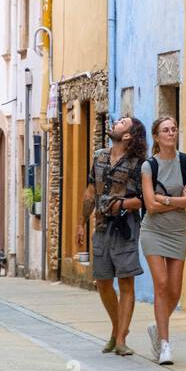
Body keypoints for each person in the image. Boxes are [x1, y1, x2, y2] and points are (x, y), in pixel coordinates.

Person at [77, 116, 147, 355]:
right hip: (101, 227)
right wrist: (81, 223)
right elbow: (90, 191)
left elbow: (145, 199)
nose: (116, 122)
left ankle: (121, 340)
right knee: (103, 281)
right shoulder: (99, 156)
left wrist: (122, 204)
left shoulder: (139, 164)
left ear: (128, 135)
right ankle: (117, 329)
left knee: (126, 280)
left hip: (125, 227)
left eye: (122, 122)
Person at [140, 116, 186, 366]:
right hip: (152, 232)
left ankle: (157, 324)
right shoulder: (148, 167)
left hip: (176, 232)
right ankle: (165, 345)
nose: (171, 133)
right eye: (166, 130)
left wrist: (166, 200)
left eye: (174, 129)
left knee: (175, 290)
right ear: (156, 136)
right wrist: (177, 202)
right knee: (161, 284)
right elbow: (149, 206)